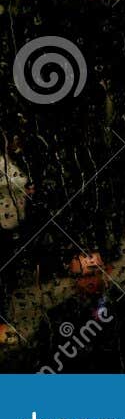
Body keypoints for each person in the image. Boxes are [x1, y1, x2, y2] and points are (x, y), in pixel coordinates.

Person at [0, 135, 29, 346]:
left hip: (8, 222)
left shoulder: (5, 160)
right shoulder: (2, 161)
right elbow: (17, 180)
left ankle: (3, 320)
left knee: (7, 273)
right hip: (3, 223)